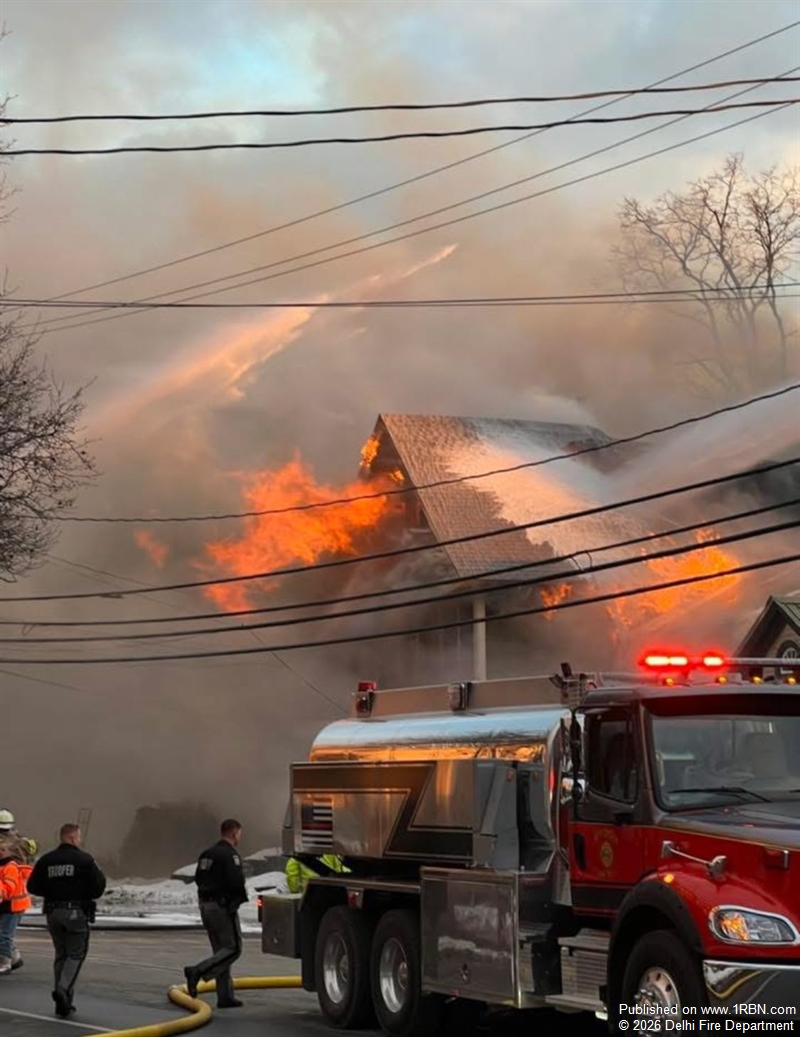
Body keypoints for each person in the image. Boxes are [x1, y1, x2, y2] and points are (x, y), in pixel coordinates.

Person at [26, 823, 106, 1018]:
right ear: (72, 838)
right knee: (76, 954)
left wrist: (54, 891)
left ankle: (63, 1004)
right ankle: (62, 990)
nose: (79, 840)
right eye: (78, 837)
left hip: (53, 913)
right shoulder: (85, 860)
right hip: (75, 913)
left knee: (61, 954)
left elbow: (32, 886)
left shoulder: (46, 860)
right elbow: (98, 886)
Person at [183, 818, 248, 1009]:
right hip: (222, 908)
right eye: (240, 834)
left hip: (206, 906)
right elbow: (236, 881)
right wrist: (235, 902)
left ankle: (224, 996)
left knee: (220, 951)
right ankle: (197, 971)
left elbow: (198, 878)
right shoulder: (230, 855)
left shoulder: (207, 853)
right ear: (235, 833)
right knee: (233, 949)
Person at [0, 810, 37, 974]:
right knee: (4, 932)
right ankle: (13, 958)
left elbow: (7, 886)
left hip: (12, 900)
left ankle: (5, 961)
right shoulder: (20, 844)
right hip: (12, 899)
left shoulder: (10, 861)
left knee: (5, 933)